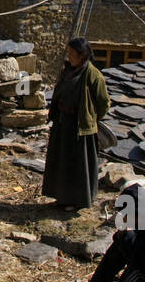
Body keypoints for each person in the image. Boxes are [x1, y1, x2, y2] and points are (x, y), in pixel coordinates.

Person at [42, 36, 110, 211]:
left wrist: (90, 119)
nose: (69, 55)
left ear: (82, 55)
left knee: (76, 165)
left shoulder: (93, 75)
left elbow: (103, 103)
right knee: (62, 161)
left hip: (80, 128)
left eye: (72, 53)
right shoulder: (68, 71)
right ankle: (61, 197)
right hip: (63, 123)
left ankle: (75, 201)